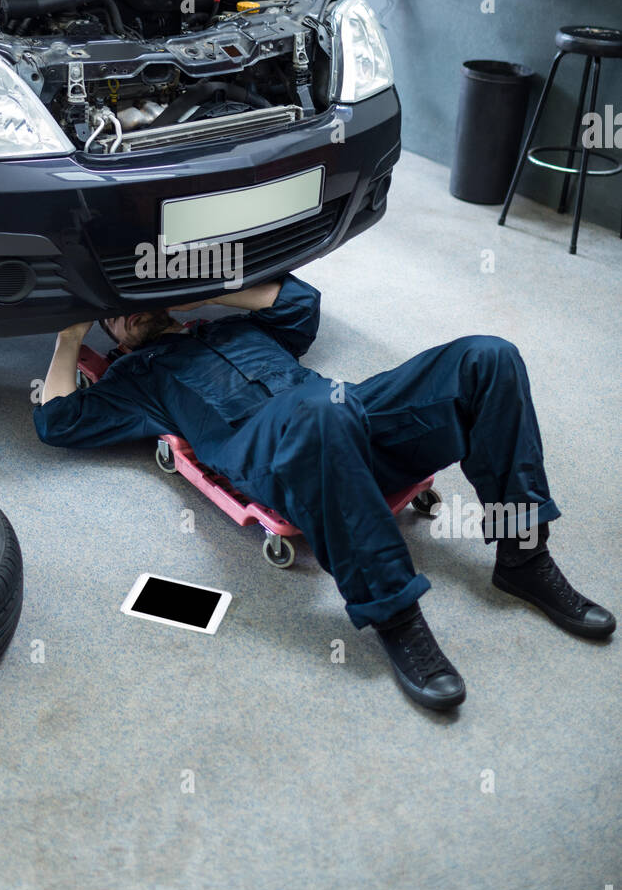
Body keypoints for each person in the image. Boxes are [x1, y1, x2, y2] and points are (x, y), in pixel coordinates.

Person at [33, 273, 615, 710]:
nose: (130, 316)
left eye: (134, 303)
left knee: (489, 357)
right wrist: (69, 334)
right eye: (117, 315)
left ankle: (525, 557)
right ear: (110, 336)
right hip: (282, 455)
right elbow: (55, 422)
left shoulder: (236, 325)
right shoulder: (135, 380)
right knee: (315, 411)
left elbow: (299, 303)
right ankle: (396, 617)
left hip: (356, 416)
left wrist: (203, 290)